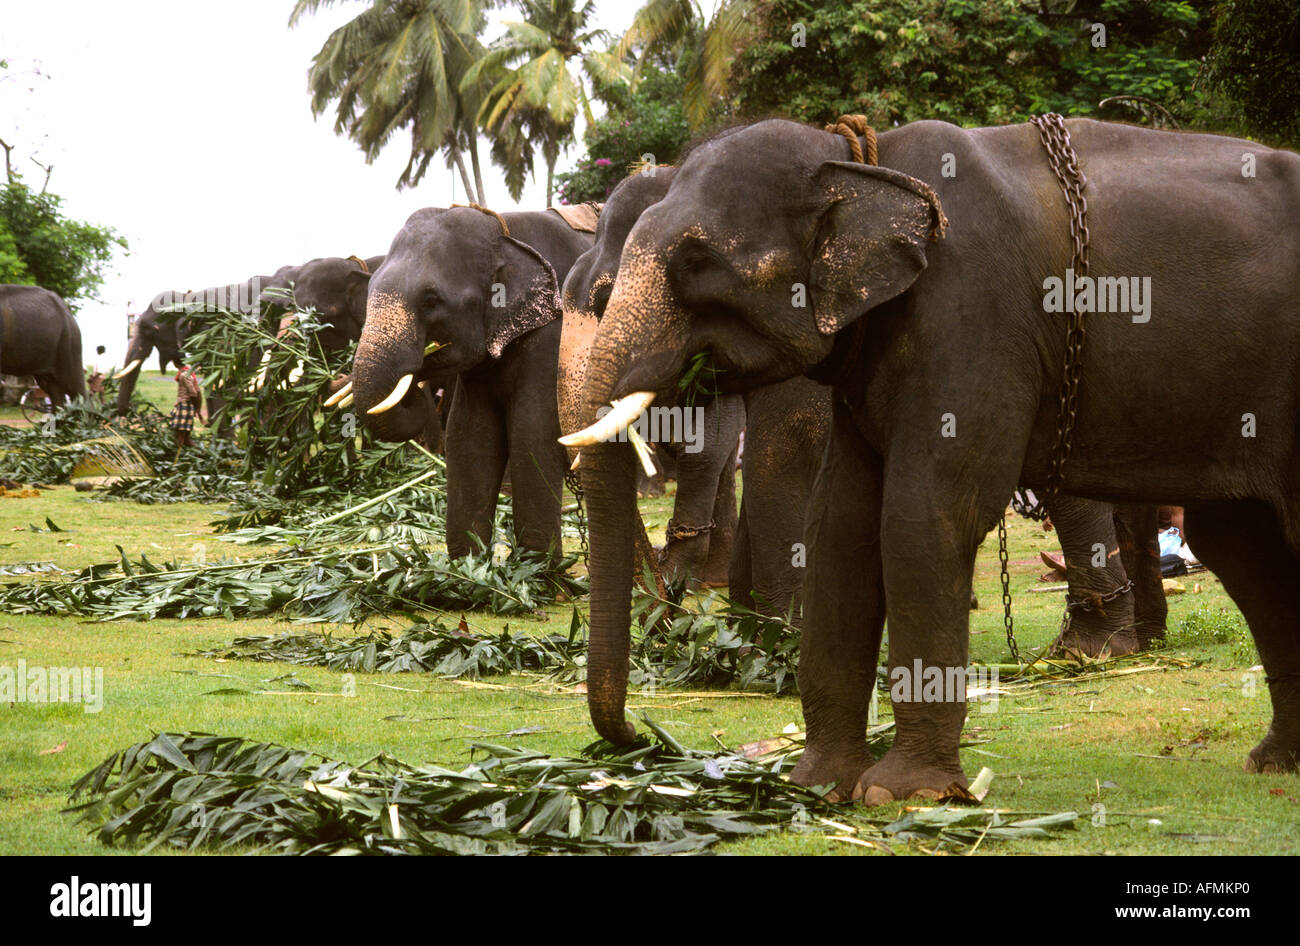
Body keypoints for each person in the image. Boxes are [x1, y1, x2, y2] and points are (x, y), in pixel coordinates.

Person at [169, 364, 205, 449]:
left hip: (185, 405)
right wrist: (197, 409)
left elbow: (194, 393)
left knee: (182, 434)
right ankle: (180, 452)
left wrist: (198, 410)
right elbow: (196, 392)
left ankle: (180, 452)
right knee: (182, 433)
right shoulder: (186, 372)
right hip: (184, 405)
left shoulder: (185, 374)